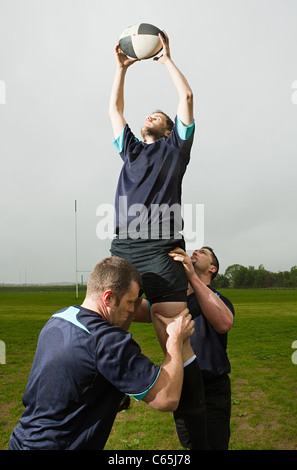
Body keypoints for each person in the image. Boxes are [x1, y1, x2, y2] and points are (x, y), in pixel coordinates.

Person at [109, 31, 208, 450]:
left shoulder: (175, 151)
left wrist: (166, 59)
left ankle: (196, 432)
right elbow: (114, 110)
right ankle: (111, 391)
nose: (149, 116)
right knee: (108, 324)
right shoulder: (130, 149)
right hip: (124, 249)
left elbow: (185, 99)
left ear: (169, 132)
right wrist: (121, 70)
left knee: (176, 337)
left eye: (156, 116)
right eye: (147, 115)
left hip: (161, 248)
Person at [8, 257, 194, 450]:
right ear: (108, 298)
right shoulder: (105, 340)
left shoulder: (59, 318)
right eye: (130, 302)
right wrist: (175, 340)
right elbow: (167, 397)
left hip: (22, 440)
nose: (132, 310)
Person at [169, 246, 235, 450]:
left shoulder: (220, 300)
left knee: (214, 444)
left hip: (212, 389)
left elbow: (224, 323)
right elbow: (142, 311)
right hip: (184, 385)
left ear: (212, 269)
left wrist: (191, 277)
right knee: (191, 446)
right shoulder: (177, 301)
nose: (196, 251)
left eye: (204, 252)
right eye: (195, 250)